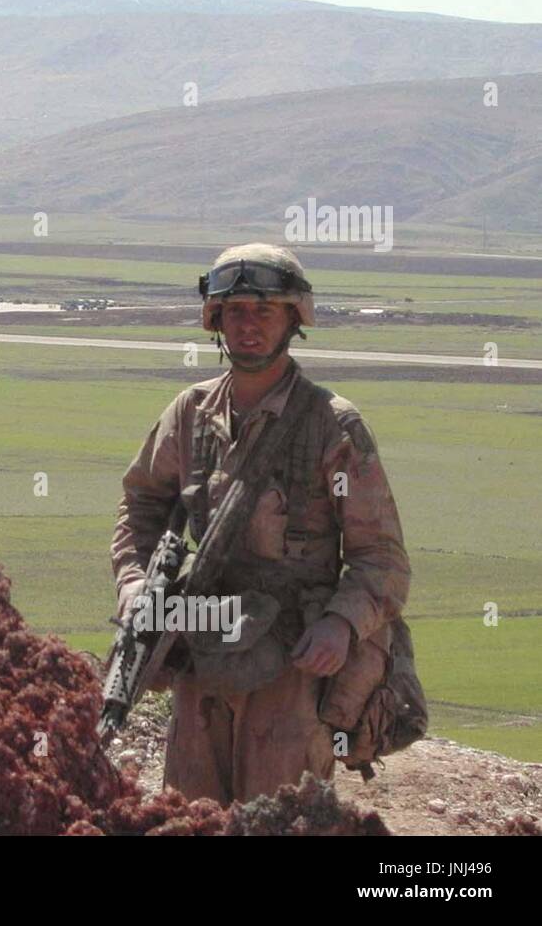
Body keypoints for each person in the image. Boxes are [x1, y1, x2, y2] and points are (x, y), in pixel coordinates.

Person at [110, 243, 411, 806]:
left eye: (263, 311)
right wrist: (132, 585)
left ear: (293, 319)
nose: (247, 326)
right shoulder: (189, 415)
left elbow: (382, 558)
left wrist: (342, 625)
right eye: (235, 312)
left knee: (279, 816)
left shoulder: (332, 426)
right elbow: (141, 505)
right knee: (189, 814)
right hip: (203, 643)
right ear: (216, 321)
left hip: (292, 660)